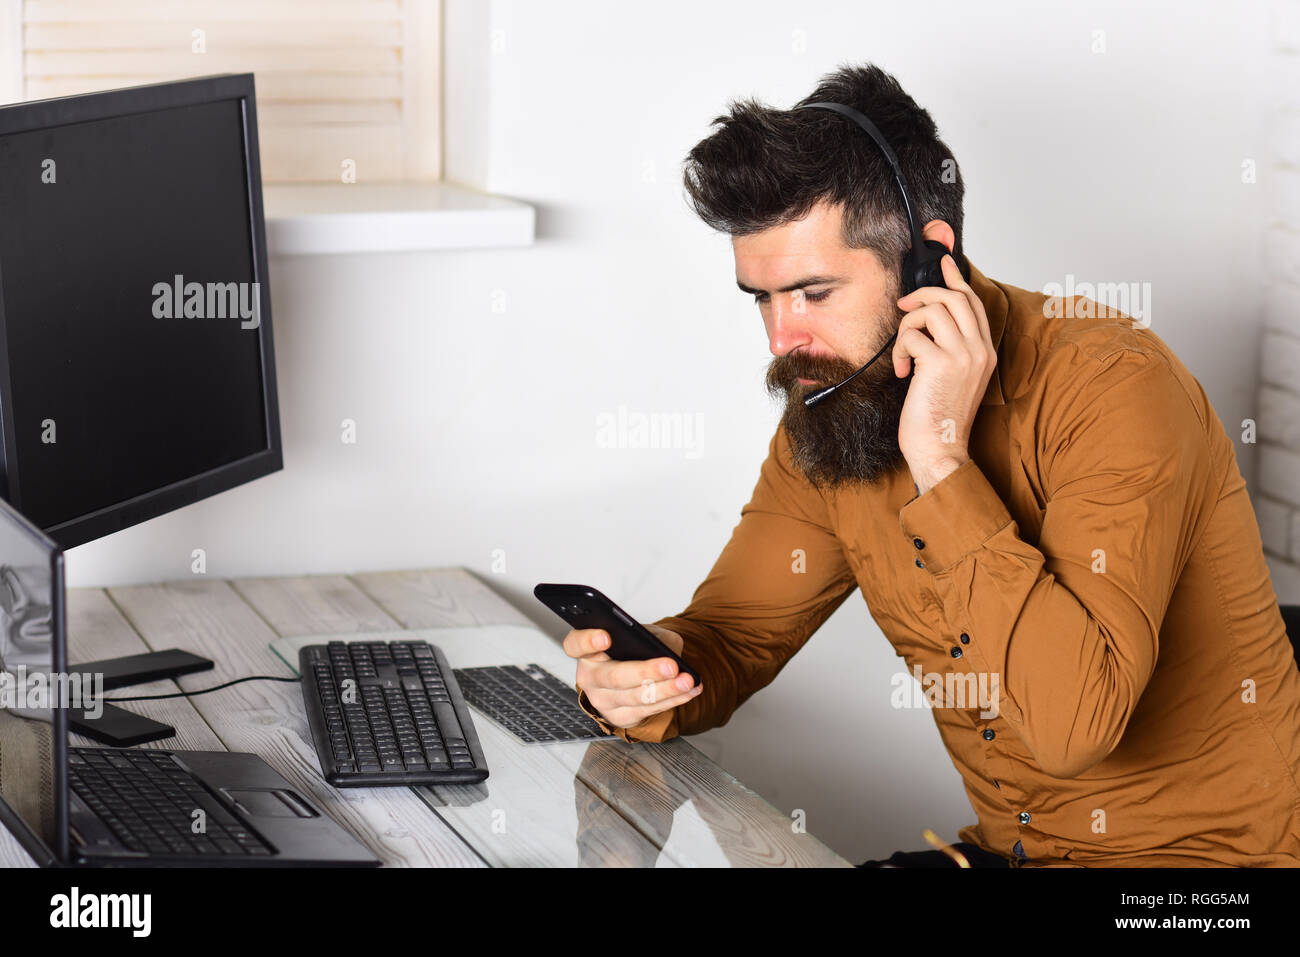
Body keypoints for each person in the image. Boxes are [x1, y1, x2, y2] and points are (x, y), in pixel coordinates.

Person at [563, 63, 1300, 867]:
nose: (781, 339)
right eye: (762, 298)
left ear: (928, 261)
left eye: (812, 292)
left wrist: (941, 456)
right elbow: (733, 636)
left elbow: (1071, 727)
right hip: (1015, 854)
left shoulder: (1113, 385)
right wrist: (644, 677)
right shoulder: (836, 409)